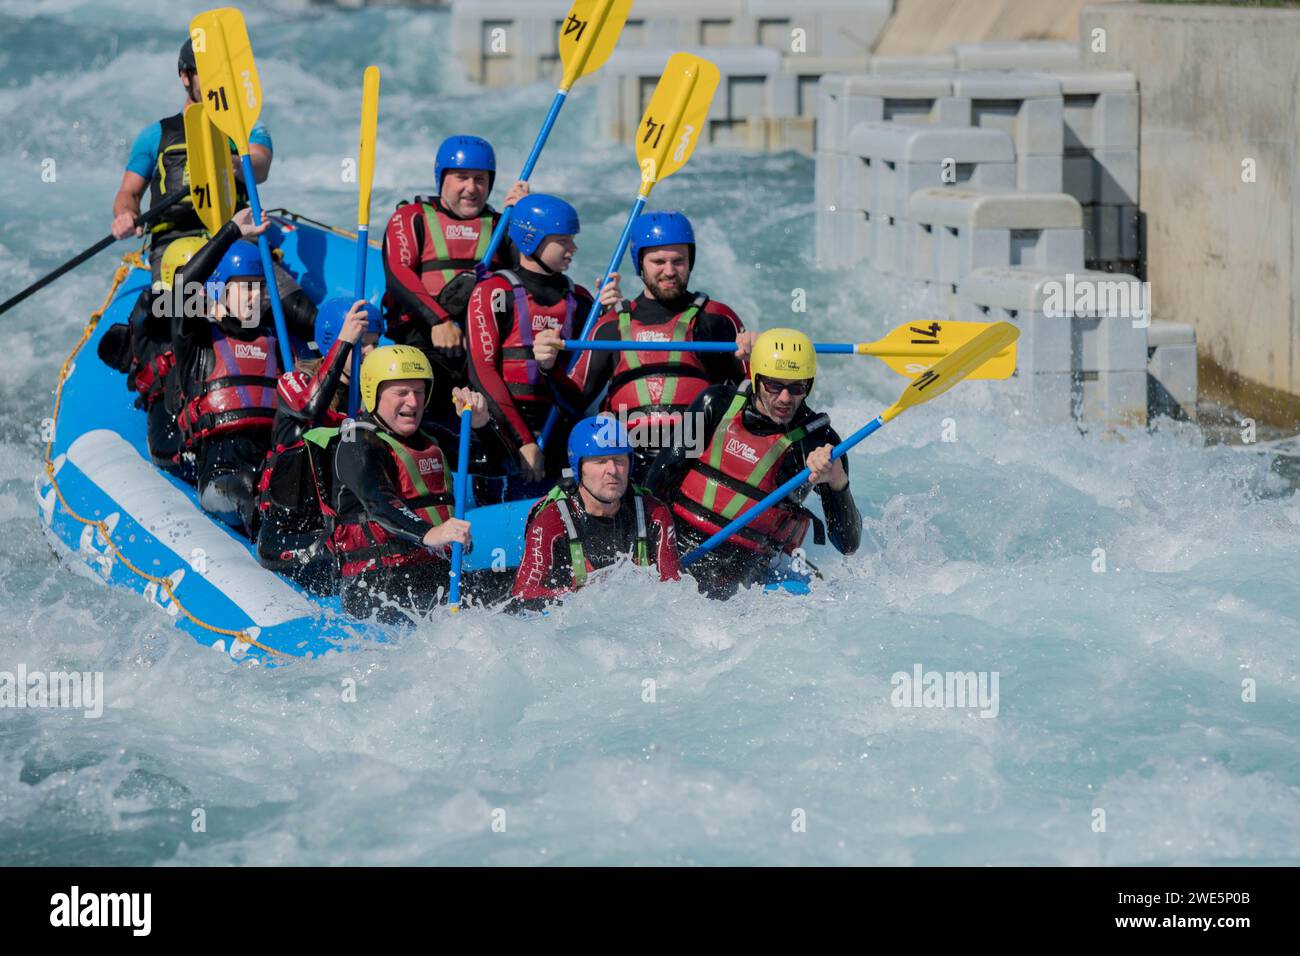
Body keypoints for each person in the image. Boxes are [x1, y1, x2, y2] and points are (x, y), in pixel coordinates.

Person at [532, 211, 755, 478]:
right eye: (658, 261)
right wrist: (548, 367)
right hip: (628, 464)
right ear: (640, 263)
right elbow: (574, 401)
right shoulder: (610, 326)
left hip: (696, 461)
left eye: (679, 261)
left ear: (690, 261)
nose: (669, 271)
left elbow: (757, 400)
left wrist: (759, 358)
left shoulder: (717, 319)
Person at [644, 328, 862, 598]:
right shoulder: (716, 404)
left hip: (746, 574)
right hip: (678, 549)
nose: (785, 398)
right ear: (756, 378)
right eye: (774, 385)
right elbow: (655, 488)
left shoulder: (819, 442)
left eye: (797, 387)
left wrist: (839, 482)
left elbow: (848, 544)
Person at [328, 345, 501, 623]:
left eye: (419, 392)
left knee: (522, 586)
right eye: (401, 393)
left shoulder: (431, 439)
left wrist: (483, 424)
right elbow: (378, 501)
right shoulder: (356, 442)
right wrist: (430, 533)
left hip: (431, 574)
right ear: (373, 394)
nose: (412, 402)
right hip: (375, 585)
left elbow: (500, 466)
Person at [167, 211, 308, 530]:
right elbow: (182, 288)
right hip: (221, 475)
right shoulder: (198, 336)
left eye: (260, 288)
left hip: (267, 469)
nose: (255, 296)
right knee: (245, 490)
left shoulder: (275, 341)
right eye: (245, 287)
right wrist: (231, 231)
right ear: (220, 290)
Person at [466, 194, 617, 492]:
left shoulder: (584, 300)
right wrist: (523, 442)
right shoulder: (493, 292)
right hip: (504, 425)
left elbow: (585, 386)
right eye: (564, 240)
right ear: (531, 241)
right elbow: (482, 371)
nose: (573, 248)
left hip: (560, 425)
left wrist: (612, 317)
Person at [381, 135, 528, 422]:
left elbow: (530, 276)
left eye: (480, 179)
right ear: (442, 178)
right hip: (425, 339)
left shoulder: (502, 225)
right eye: (461, 177)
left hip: (486, 347)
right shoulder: (412, 218)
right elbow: (397, 272)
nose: (471, 188)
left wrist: (524, 222)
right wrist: (439, 320)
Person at [110, 38, 272, 274]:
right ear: (185, 76)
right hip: (173, 241)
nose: (217, 82)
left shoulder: (245, 127)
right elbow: (128, 193)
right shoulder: (156, 134)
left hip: (237, 234)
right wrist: (125, 215)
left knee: (274, 300)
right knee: (182, 291)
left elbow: (260, 166)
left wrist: (228, 161)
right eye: (208, 74)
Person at [254, 298, 381, 592]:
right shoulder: (293, 382)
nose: (371, 353)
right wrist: (345, 343)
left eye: (375, 344)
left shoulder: (370, 399)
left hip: (341, 530)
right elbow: (311, 406)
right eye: (362, 345)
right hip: (288, 531)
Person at [511, 415, 680, 609]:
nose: (612, 470)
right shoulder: (552, 520)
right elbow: (524, 594)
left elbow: (674, 588)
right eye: (600, 462)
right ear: (579, 468)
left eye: (619, 460)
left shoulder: (655, 514)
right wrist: (587, 599)